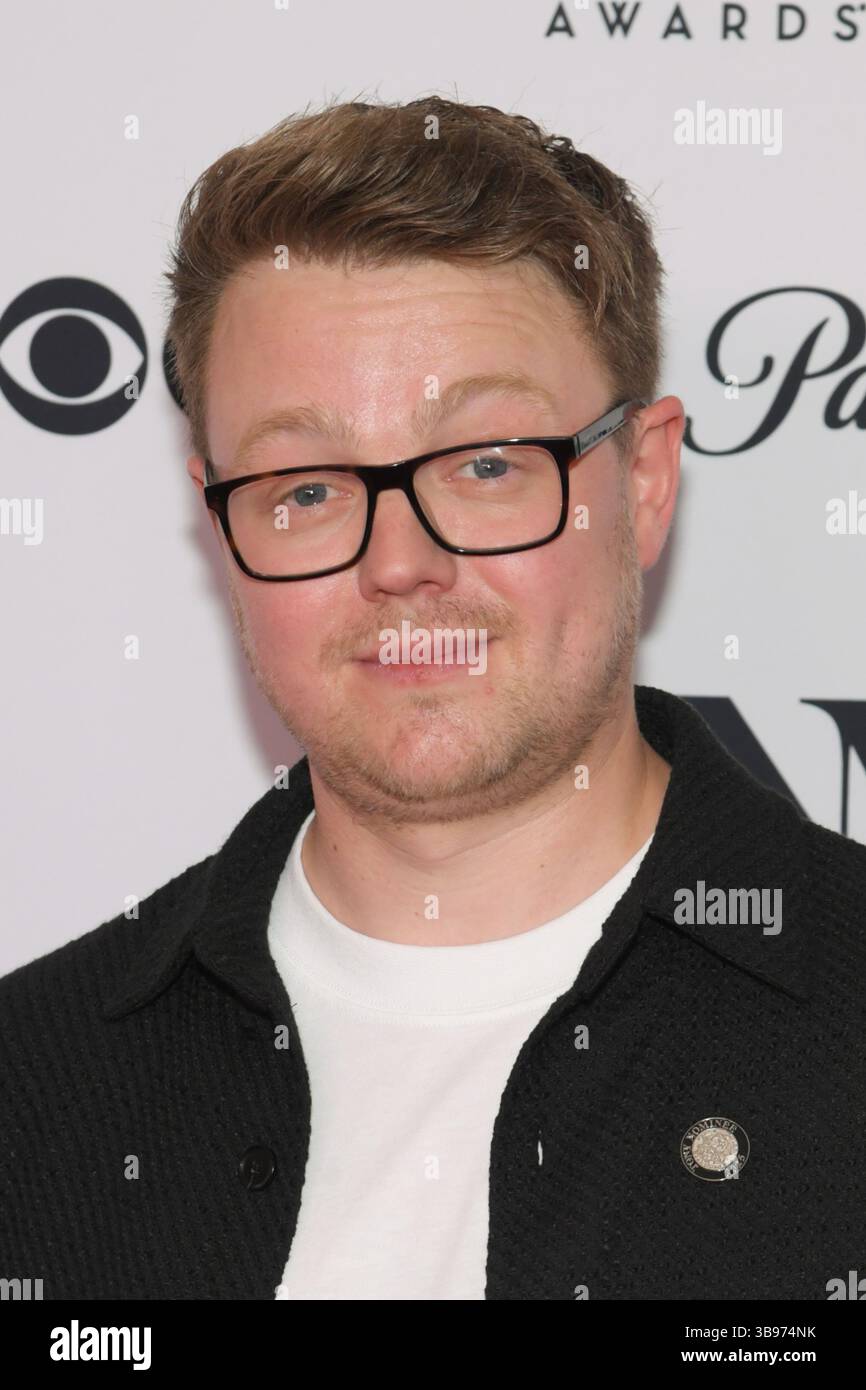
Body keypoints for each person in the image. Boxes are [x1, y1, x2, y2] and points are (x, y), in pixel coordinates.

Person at [2, 96, 864, 1303]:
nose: (398, 561)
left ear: (646, 481)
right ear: (220, 528)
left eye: (486, 464)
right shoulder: (32, 1083)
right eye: (303, 486)